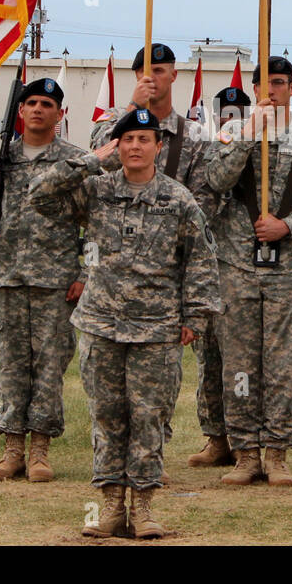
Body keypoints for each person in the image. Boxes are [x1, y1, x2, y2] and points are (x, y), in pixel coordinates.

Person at [30, 108, 220, 538]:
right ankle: (113, 506)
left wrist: (195, 317)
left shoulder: (178, 199)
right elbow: (40, 195)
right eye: (127, 139)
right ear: (117, 145)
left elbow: (201, 263)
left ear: (158, 146)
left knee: (149, 417)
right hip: (101, 326)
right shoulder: (96, 190)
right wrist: (92, 160)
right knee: (108, 417)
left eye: (143, 139)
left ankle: (146, 506)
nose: (135, 147)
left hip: (156, 329)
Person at [205, 55, 292, 486]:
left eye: (280, 83)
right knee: (240, 365)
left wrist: (289, 224)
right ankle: (245, 452)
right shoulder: (230, 134)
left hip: (289, 271)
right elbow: (216, 182)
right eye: (264, 84)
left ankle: (278, 451)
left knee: (283, 363)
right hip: (237, 267)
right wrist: (248, 135)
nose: (273, 91)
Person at [90, 43, 210, 475]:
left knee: (157, 388)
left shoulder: (194, 135)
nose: (152, 78)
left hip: (169, 267)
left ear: (174, 75)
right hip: (117, 272)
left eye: (160, 71)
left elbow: (205, 197)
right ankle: (117, 476)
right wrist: (132, 109)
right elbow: (95, 163)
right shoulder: (112, 125)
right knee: (110, 395)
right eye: (144, 71)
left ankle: (157, 460)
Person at [0, 78, 85, 483]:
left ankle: (40, 451)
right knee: (9, 366)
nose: (38, 109)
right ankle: (12, 448)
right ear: (19, 112)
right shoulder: (1, 160)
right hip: (7, 277)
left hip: (55, 282)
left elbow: (96, 225)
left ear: (60, 114)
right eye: (30, 102)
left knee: (50, 367)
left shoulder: (74, 163)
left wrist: (84, 274)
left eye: (47, 104)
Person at [186, 86, 251, 468]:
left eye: (238, 112)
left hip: (240, 265)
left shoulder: (258, 148)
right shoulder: (205, 150)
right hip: (205, 265)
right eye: (225, 112)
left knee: (239, 360)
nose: (231, 119)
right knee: (207, 357)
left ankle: (245, 439)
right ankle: (216, 436)